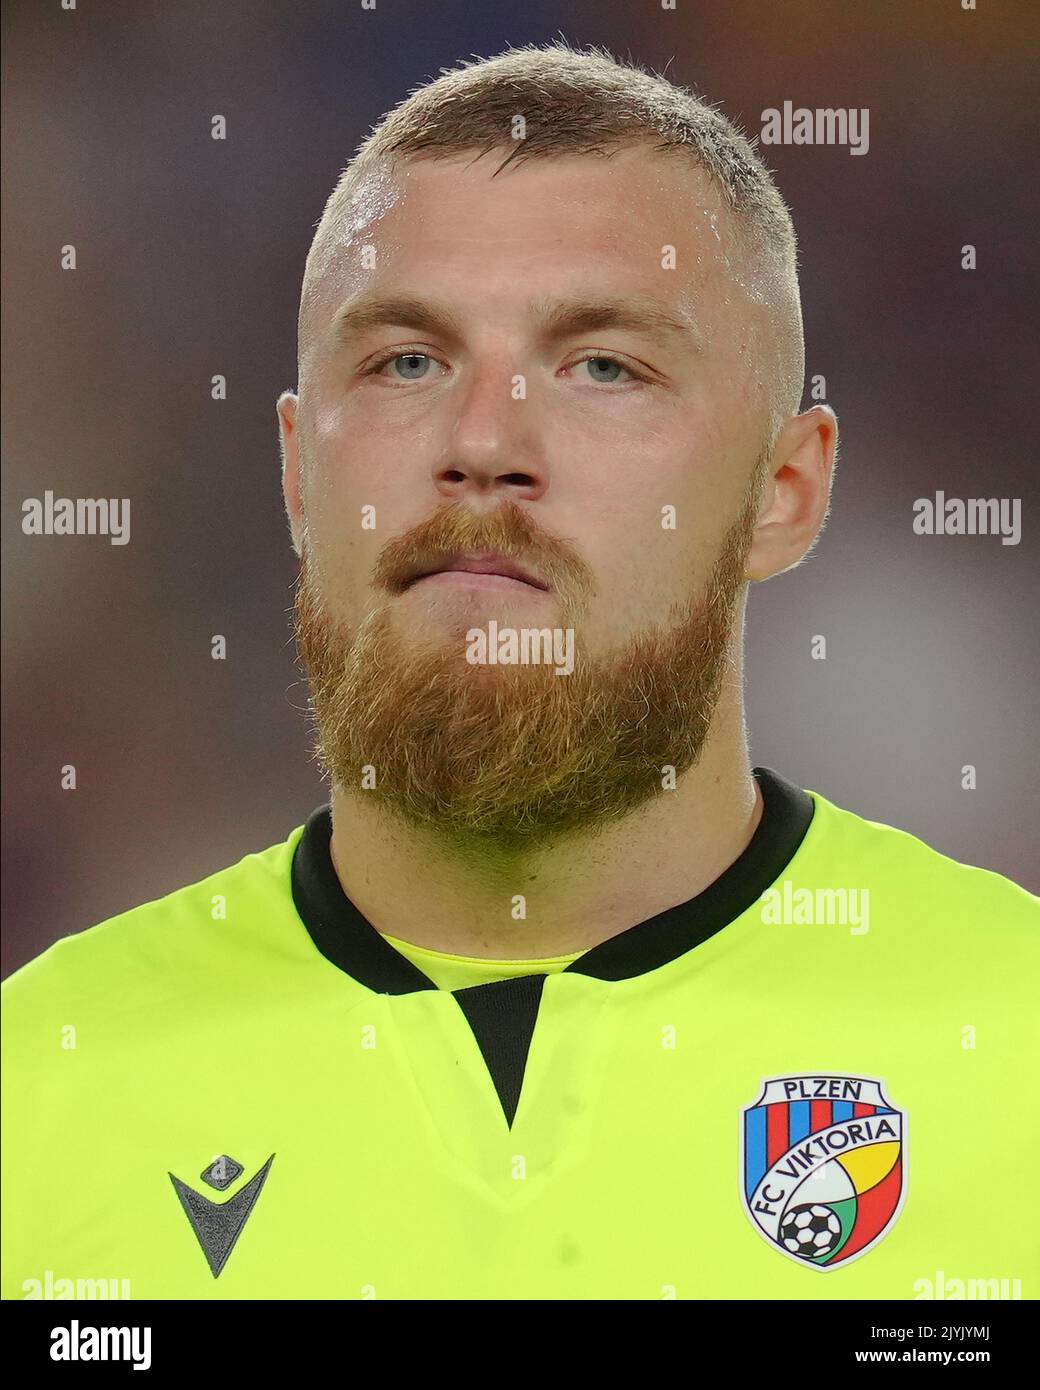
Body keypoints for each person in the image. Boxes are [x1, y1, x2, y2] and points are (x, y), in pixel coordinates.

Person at [3, 41, 1036, 1301]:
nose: (482, 442)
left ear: (784, 491)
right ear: (293, 470)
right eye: (405, 361)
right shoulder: (40, 1086)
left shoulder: (1013, 1045)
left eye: (602, 365)